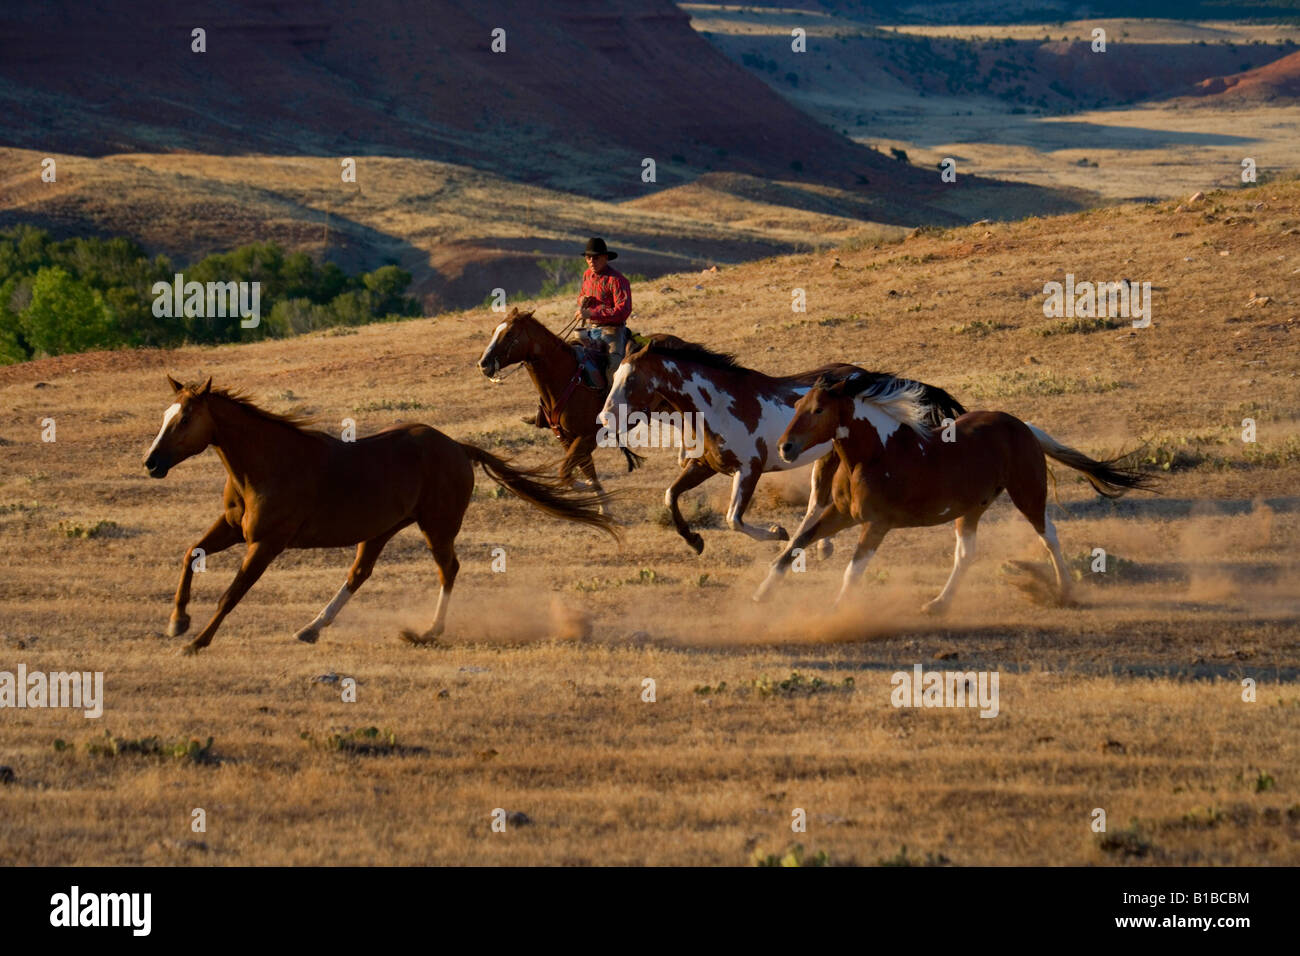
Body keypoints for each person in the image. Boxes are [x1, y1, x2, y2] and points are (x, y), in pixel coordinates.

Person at [523, 237, 633, 427]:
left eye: (596, 258)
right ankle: (547, 409)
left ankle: (613, 409)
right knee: (560, 359)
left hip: (612, 331)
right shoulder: (587, 276)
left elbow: (623, 310)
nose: (592, 261)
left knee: (614, 364)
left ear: (606, 258)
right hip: (589, 330)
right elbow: (582, 294)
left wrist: (592, 312)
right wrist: (582, 301)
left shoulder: (618, 280)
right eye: (589, 258)